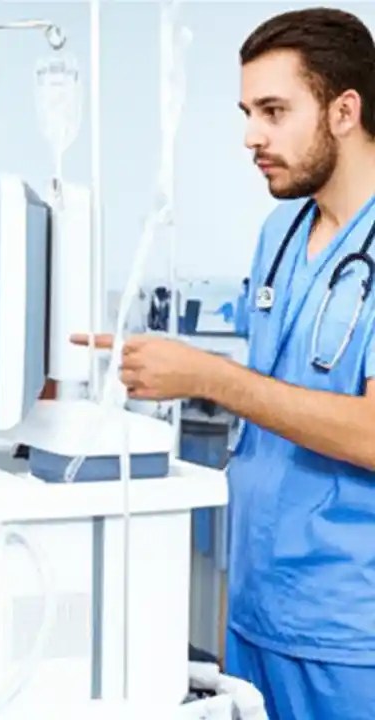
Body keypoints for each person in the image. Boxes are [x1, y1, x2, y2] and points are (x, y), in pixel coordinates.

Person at [79, 9, 375, 719]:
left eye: (274, 111)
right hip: (252, 609)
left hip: (350, 632)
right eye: (248, 112)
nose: (251, 135)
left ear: (344, 110)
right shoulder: (281, 231)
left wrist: (210, 379)